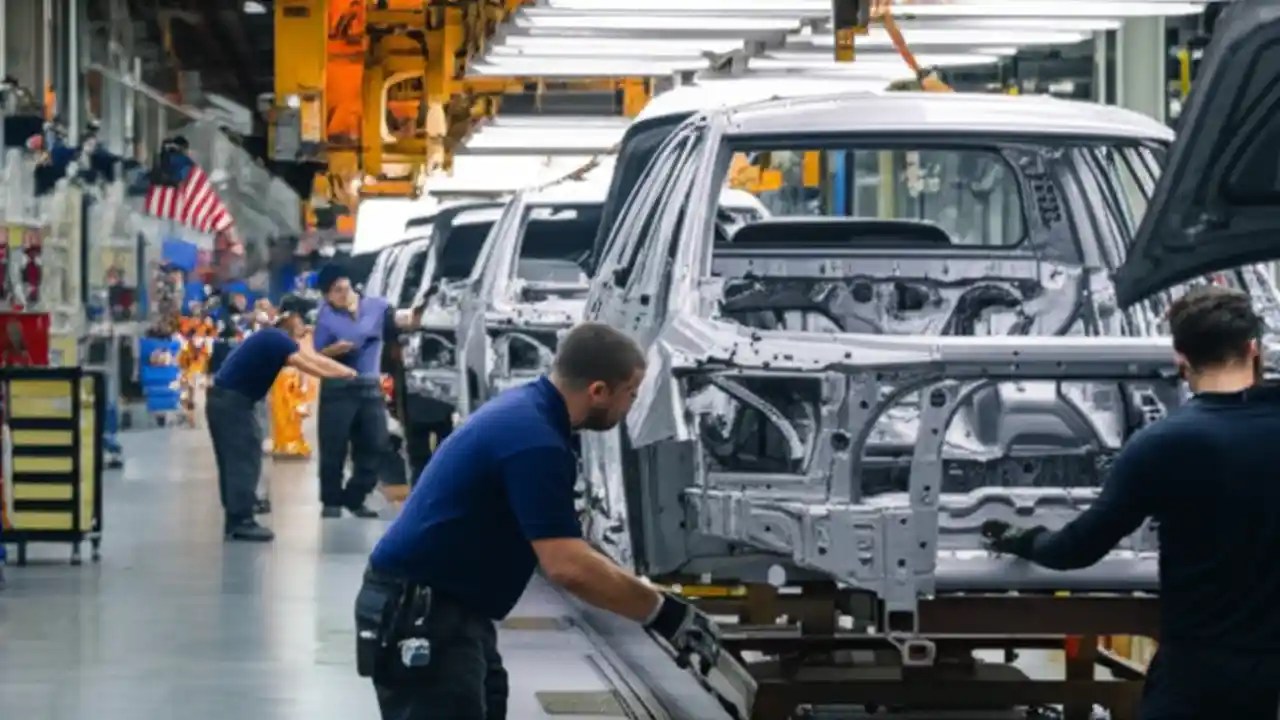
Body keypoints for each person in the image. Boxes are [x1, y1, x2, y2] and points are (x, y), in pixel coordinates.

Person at [356, 322, 720, 720]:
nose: (631, 406)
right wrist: (662, 614)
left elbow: (571, 547)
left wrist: (648, 594)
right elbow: (568, 565)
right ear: (598, 391)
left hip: (448, 609)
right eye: (631, 394)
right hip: (422, 614)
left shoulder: (528, 411)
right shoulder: (535, 441)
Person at [983, 286, 1280, 720]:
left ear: (1181, 359)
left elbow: (1077, 549)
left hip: (1197, 672)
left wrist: (1020, 538)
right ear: (1254, 350)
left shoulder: (1162, 444)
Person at [206, 294, 356, 541]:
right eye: (304, 323)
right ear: (292, 318)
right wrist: (345, 375)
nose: (307, 329)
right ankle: (241, 521)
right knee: (244, 460)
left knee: (235, 460)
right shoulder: (277, 339)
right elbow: (309, 364)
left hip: (225, 401)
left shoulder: (274, 337)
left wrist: (347, 371)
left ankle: (237, 517)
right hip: (232, 403)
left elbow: (313, 358)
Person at [311, 264, 421, 518]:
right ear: (327, 296)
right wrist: (334, 350)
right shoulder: (326, 316)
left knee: (376, 443)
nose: (342, 295)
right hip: (337, 388)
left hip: (369, 386)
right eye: (335, 292)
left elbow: (398, 325)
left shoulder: (378, 307)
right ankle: (331, 501)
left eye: (344, 289)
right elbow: (317, 353)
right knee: (333, 447)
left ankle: (355, 495)